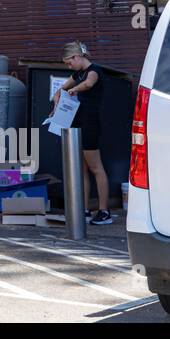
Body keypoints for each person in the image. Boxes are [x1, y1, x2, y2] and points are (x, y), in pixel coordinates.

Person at [54, 40, 113, 226]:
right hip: (77, 123)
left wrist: (73, 90)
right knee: (81, 169)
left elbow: (88, 84)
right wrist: (57, 98)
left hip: (90, 124)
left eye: (69, 62)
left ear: (77, 57)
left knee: (96, 167)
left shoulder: (94, 70)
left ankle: (104, 211)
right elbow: (61, 88)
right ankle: (84, 209)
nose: (68, 66)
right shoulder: (77, 73)